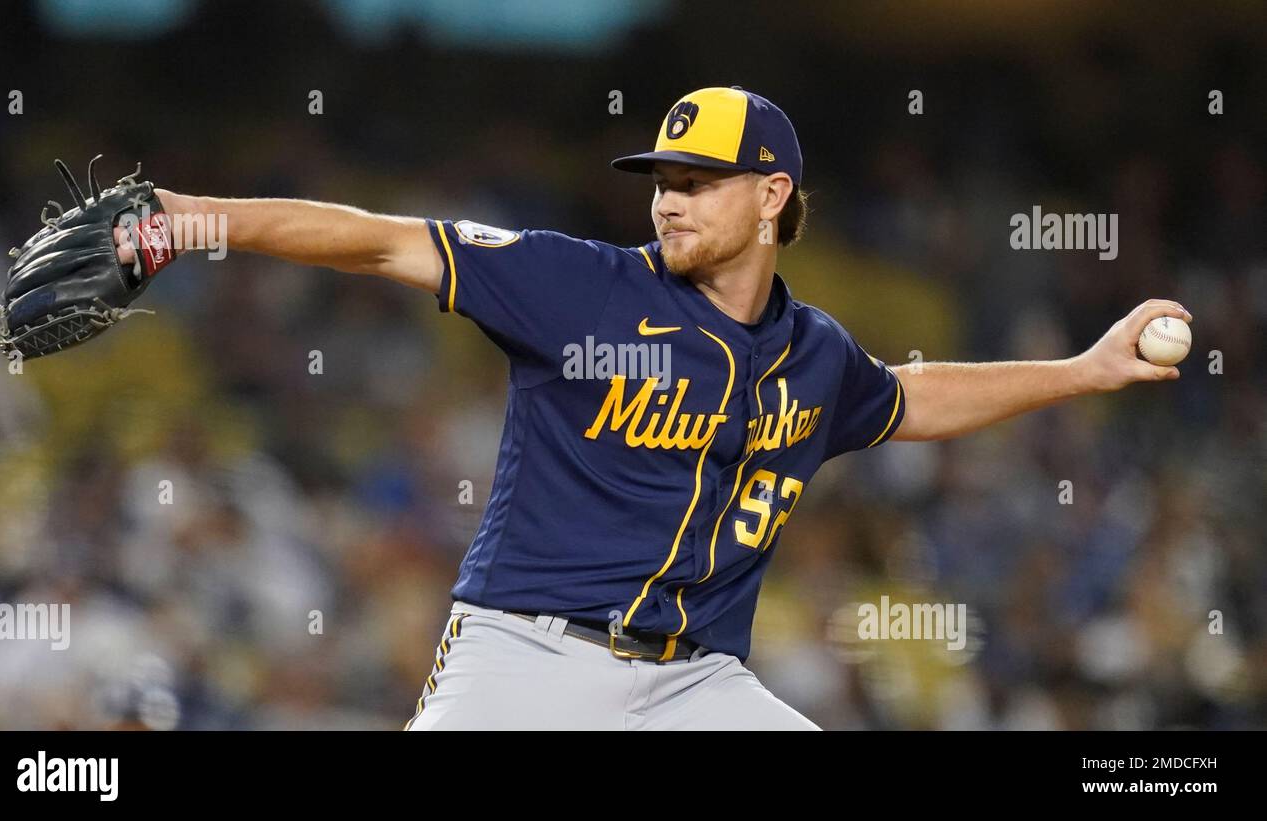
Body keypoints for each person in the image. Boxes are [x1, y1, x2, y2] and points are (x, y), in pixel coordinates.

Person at [115, 86, 1191, 730]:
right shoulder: (577, 283)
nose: (667, 195)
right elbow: (378, 236)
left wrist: (1082, 370)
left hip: (696, 688)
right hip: (524, 657)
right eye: (660, 175)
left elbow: (904, 398)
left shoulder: (814, 354)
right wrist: (197, 217)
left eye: (699, 177)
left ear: (771, 195)